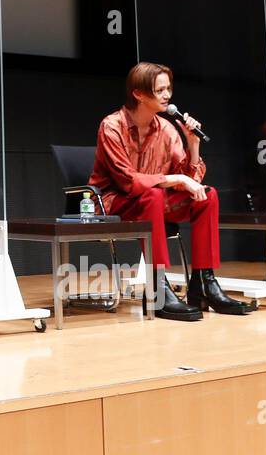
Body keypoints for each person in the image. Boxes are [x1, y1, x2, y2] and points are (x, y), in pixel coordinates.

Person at [89, 62, 254, 320]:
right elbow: (126, 182)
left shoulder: (167, 129)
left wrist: (193, 144)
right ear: (139, 94)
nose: (167, 95)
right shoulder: (112, 126)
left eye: (169, 89)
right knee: (153, 194)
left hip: (154, 204)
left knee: (207, 194)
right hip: (115, 203)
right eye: (160, 90)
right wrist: (174, 177)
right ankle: (157, 288)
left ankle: (203, 283)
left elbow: (191, 181)